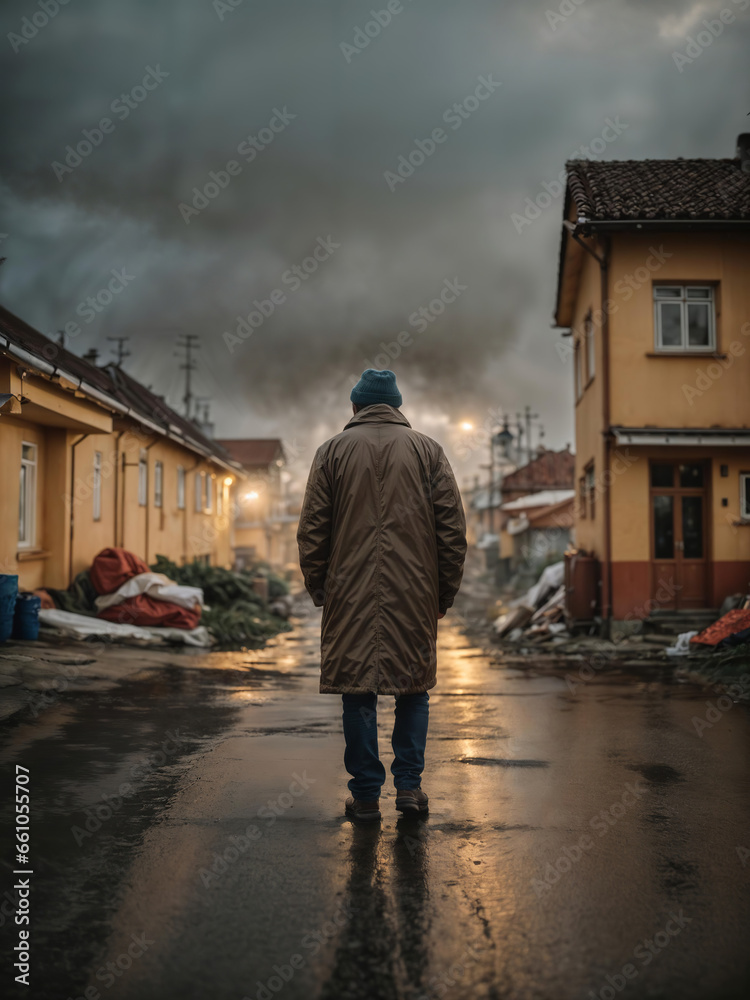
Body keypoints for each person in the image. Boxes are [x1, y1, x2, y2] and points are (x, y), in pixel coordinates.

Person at [297, 368, 467, 821]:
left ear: (355, 406)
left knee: (358, 694)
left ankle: (367, 796)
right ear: (397, 407)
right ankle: (409, 788)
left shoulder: (331, 452)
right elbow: (452, 532)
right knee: (413, 690)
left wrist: (321, 589)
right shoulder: (428, 451)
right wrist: (442, 595)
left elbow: (312, 532)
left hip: (348, 594)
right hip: (415, 593)